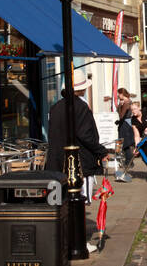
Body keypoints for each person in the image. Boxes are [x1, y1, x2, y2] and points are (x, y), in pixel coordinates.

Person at [45, 70, 110, 251]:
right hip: (78, 163)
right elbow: (86, 135)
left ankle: (62, 240)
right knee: (78, 201)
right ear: (80, 89)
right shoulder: (80, 107)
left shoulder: (56, 107)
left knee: (61, 202)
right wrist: (101, 151)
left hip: (57, 163)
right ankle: (77, 241)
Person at [116, 88, 137, 175]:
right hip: (126, 123)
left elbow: (121, 115)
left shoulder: (126, 102)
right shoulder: (128, 101)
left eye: (118, 94)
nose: (117, 95)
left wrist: (119, 106)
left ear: (122, 94)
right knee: (125, 143)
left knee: (126, 144)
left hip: (125, 125)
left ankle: (129, 162)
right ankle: (128, 162)